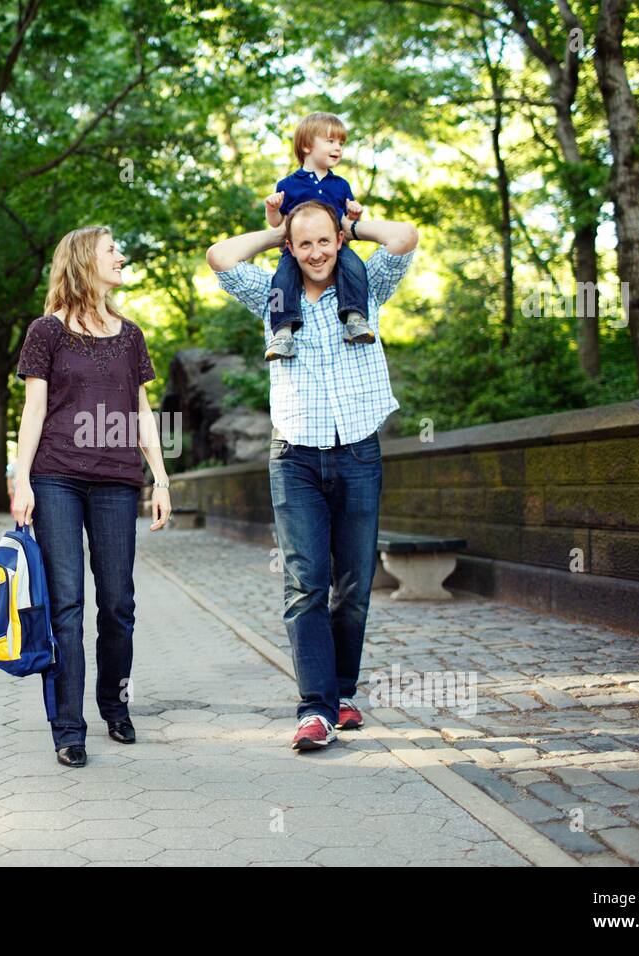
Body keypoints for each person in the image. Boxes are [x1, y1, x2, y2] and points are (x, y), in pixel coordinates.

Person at [207, 199, 419, 751]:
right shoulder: (274, 297)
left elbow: (403, 238)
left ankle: (342, 694)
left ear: (339, 241)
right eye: (305, 244)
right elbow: (220, 256)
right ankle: (315, 710)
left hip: (358, 454)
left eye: (325, 241)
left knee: (353, 588)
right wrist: (274, 229)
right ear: (292, 249)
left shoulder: (364, 289)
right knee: (305, 585)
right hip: (295, 456)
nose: (317, 253)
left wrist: (353, 223)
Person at [11, 226, 173, 768]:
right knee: (67, 605)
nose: (121, 257)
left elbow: (143, 411)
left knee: (119, 604)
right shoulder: (46, 332)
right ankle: (68, 725)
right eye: (112, 250)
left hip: (116, 479)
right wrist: (21, 479)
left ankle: (115, 703)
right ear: (85, 260)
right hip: (56, 475)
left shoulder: (130, 335)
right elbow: (33, 411)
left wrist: (161, 478)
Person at [263, 111, 374, 360]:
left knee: (355, 266)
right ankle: (281, 332)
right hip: (296, 249)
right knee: (280, 280)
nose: (338, 147)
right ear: (306, 145)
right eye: (330, 141)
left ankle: (355, 318)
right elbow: (278, 223)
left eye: (341, 143)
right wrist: (271, 209)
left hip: (334, 246)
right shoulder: (288, 184)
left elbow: (345, 224)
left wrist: (354, 216)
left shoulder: (341, 185)